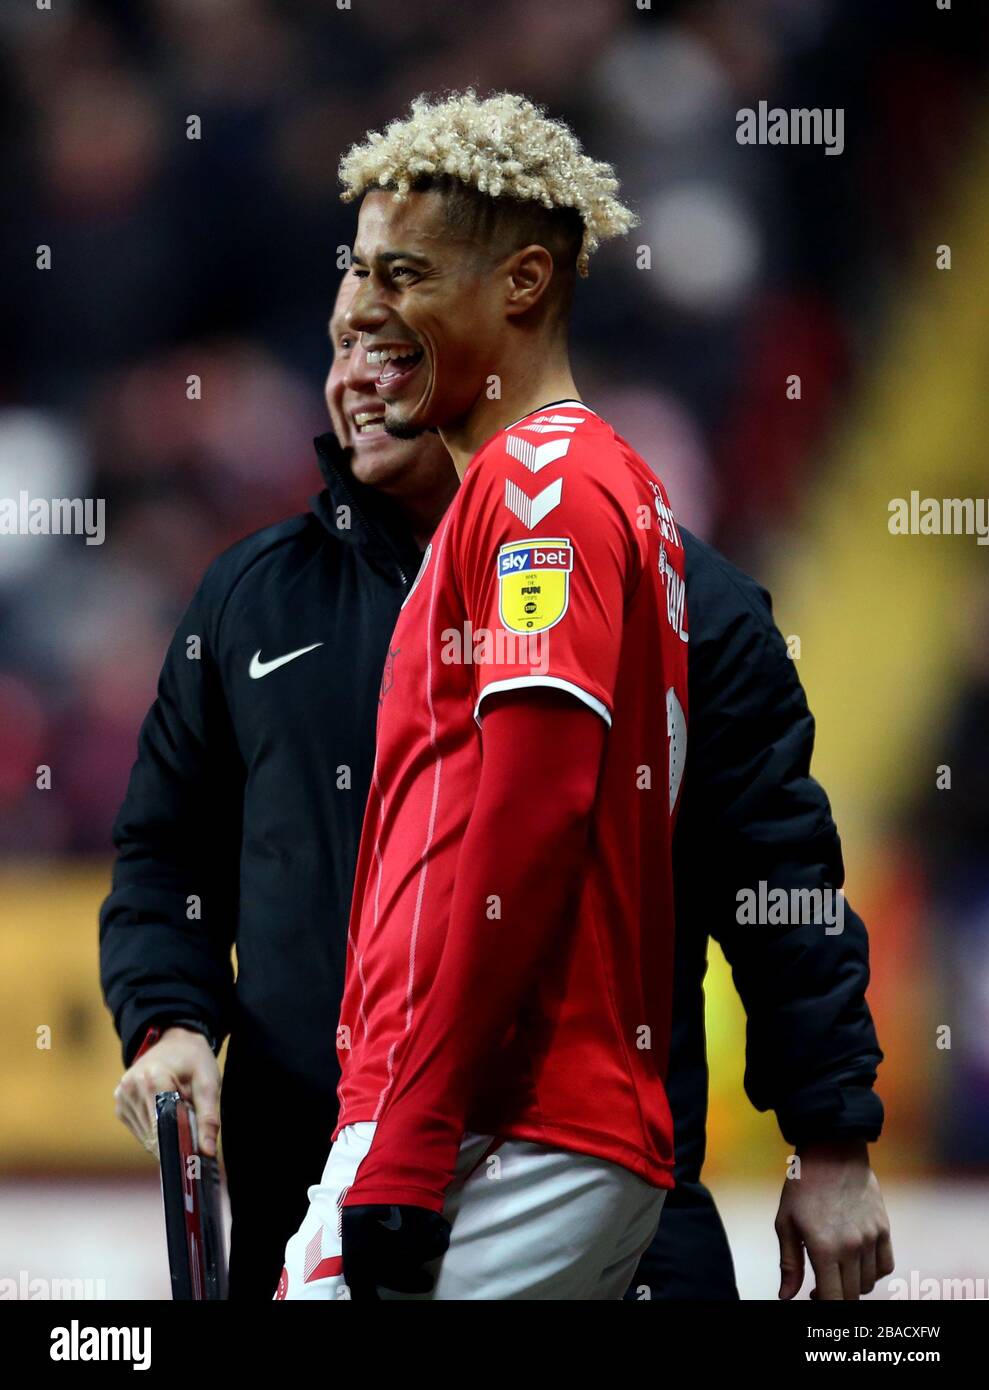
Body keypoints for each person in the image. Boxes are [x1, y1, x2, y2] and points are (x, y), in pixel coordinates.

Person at [103, 182, 890, 1307]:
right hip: (318, 1177)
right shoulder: (251, 601)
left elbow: (782, 880)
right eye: (342, 341)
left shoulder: (695, 603)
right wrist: (168, 1016)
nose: (358, 372)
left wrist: (833, 1139)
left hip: (577, 1169)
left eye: (392, 331)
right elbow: (163, 854)